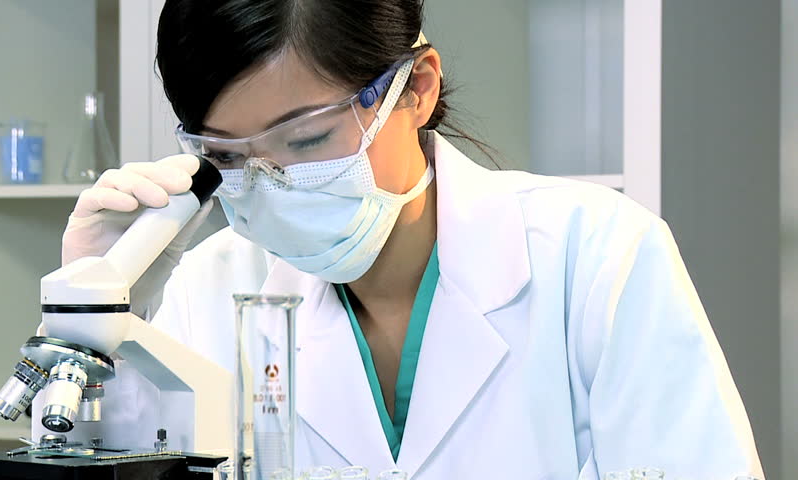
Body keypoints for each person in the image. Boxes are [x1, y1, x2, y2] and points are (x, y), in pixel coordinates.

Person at [39, 0, 765, 478]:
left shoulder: (596, 255)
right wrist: (95, 312)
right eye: (228, 155)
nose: (273, 179)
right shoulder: (208, 286)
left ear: (414, 89)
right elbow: (88, 448)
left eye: (306, 138)